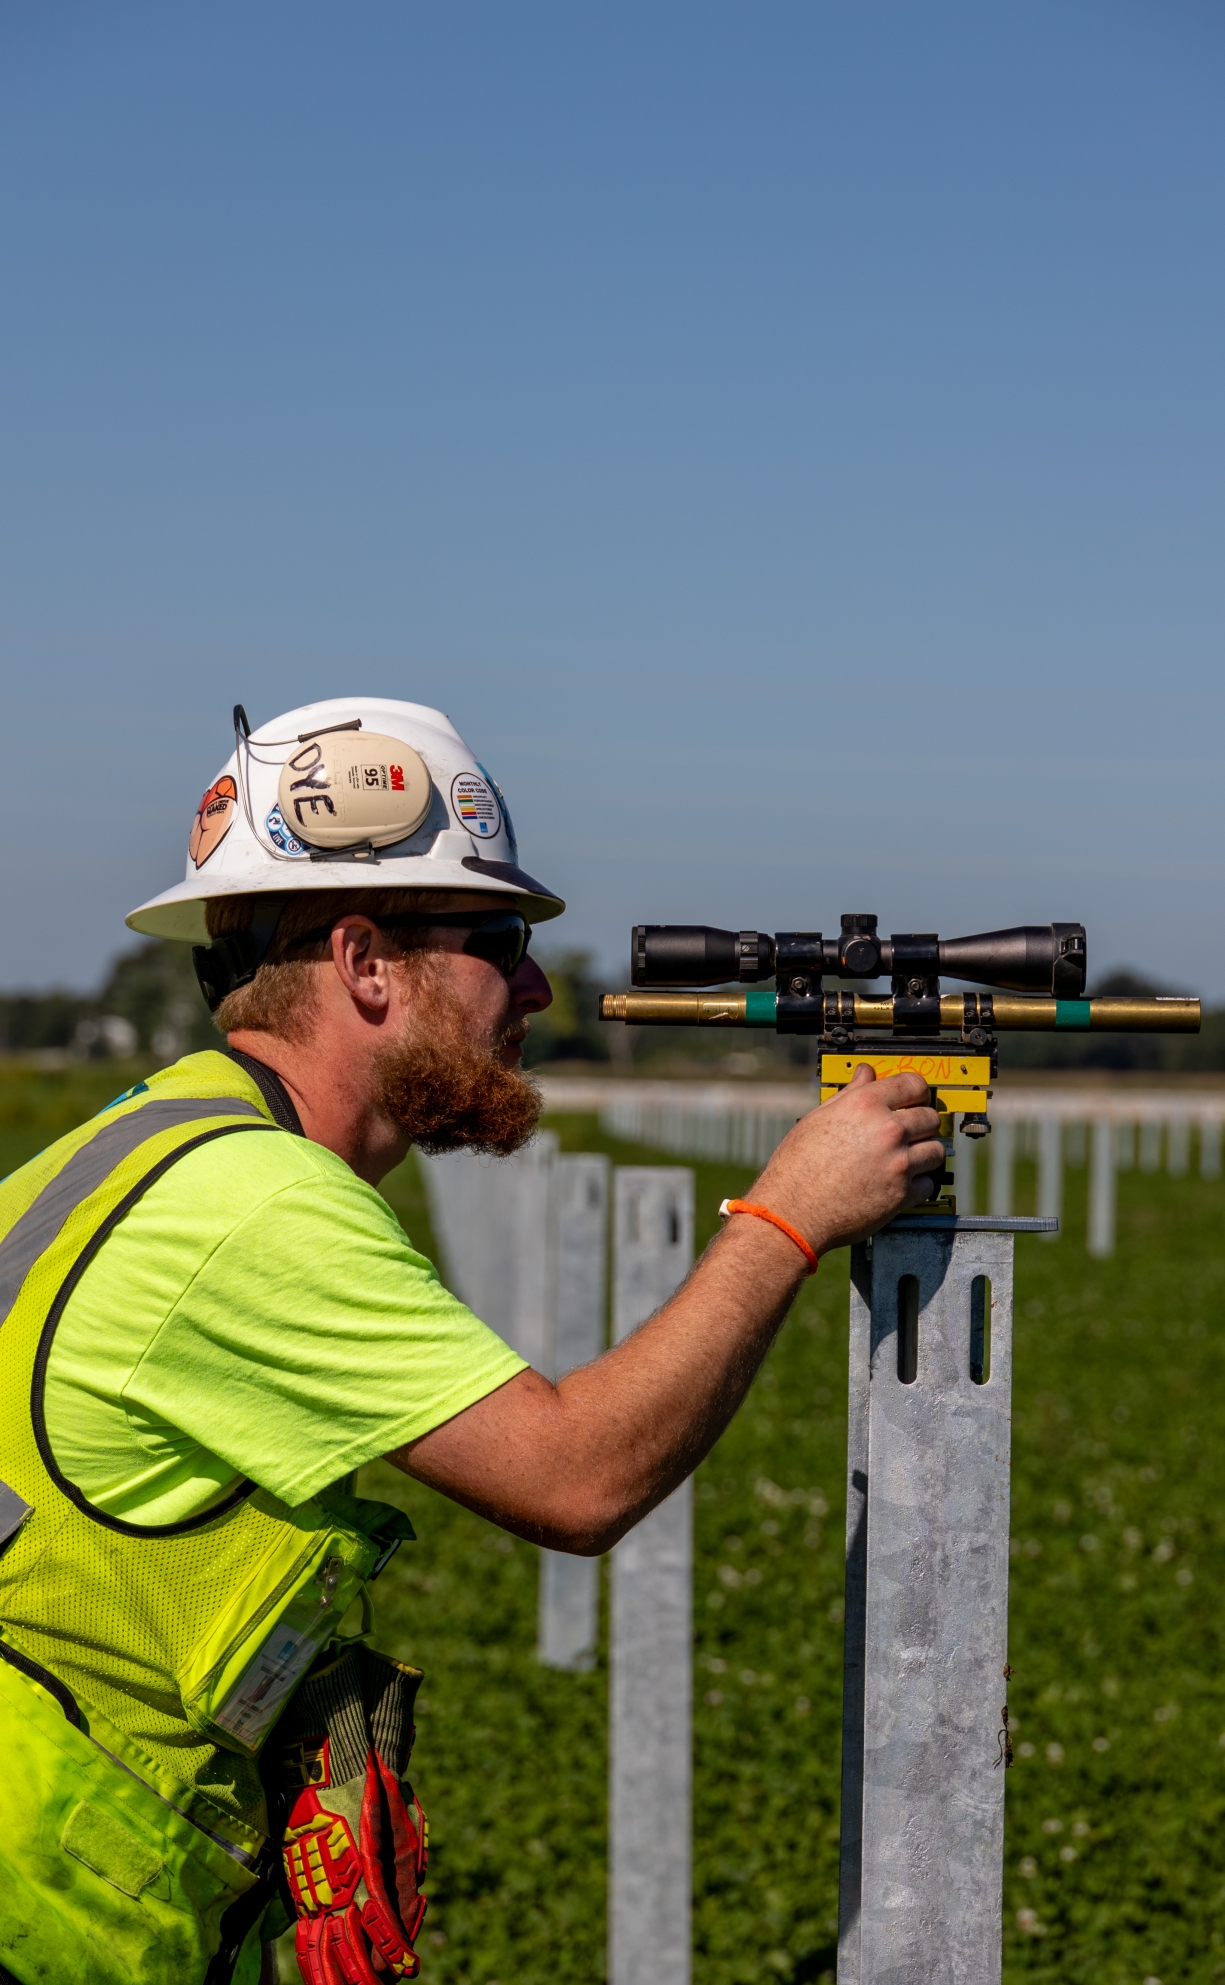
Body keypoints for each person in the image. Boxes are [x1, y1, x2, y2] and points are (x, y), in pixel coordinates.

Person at [0, 696, 944, 1985]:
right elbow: (577, 1478)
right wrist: (788, 1216)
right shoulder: (257, 1208)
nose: (539, 986)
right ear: (365, 962)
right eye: (499, 939)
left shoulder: (146, 1142)